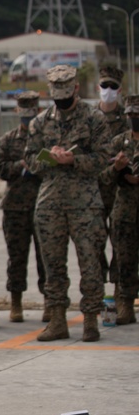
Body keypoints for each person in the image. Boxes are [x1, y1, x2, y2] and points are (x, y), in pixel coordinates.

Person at [25, 65, 113, 342]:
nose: (61, 101)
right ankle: (57, 320)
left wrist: (74, 159)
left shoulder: (94, 118)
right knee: (52, 266)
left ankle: (90, 320)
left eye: (66, 94)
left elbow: (103, 159)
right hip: (50, 203)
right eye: (56, 96)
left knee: (90, 263)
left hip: (85, 203)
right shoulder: (38, 123)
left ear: (75, 89)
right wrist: (47, 156)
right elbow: (29, 162)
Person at [0, 91, 46, 323]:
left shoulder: (46, 138)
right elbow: (0, 169)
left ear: (39, 111)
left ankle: (50, 302)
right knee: (16, 257)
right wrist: (20, 166)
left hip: (42, 204)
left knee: (46, 257)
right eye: (23, 113)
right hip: (15, 206)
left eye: (31, 113)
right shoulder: (7, 140)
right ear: (17, 112)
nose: (27, 118)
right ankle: (15, 304)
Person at [99, 94, 139, 325]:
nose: (134, 119)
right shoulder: (118, 142)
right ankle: (124, 303)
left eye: (138, 115)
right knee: (124, 258)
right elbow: (102, 178)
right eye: (131, 115)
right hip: (124, 211)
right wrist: (117, 168)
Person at [96, 65, 128, 285]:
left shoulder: (128, 119)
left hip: (119, 188)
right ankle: (97, 287)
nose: (108, 89)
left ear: (119, 89)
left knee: (121, 240)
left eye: (112, 86)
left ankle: (119, 290)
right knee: (94, 241)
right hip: (94, 189)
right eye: (104, 85)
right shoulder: (89, 117)